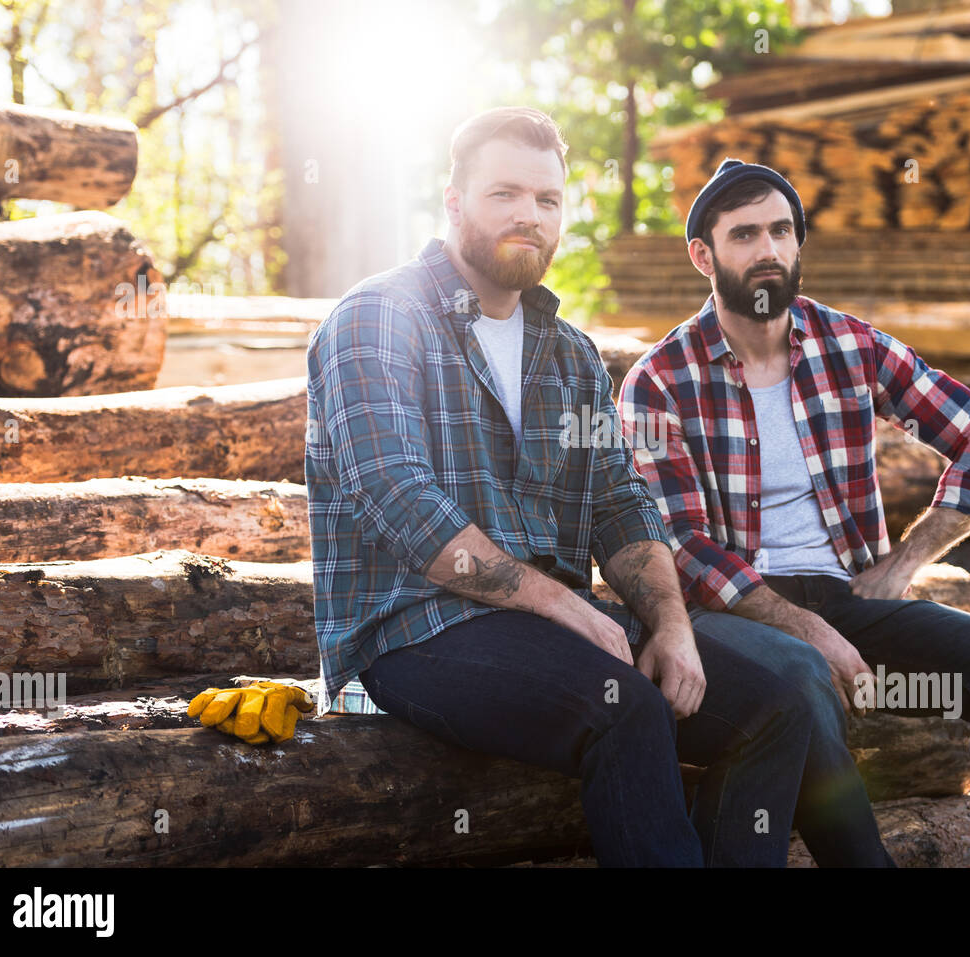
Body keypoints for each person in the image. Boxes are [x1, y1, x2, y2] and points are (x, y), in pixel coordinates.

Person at [304, 111, 816, 867]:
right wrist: (564, 604)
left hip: (545, 635)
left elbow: (620, 501)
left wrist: (673, 626)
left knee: (774, 707)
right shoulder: (379, 316)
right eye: (503, 193)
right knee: (626, 709)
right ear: (453, 202)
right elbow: (396, 495)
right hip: (410, 633)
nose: (528, 215)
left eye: (547, 199)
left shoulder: (568, 352)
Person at [617, 157, 970, 867]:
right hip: (730, 618)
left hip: (849, 599)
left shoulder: (850, 346)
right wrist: (801, 626)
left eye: (781, 231)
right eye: (744, 235)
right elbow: (680, 543)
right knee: (798, 680)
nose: (767, 250)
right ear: (703, 254)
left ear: (797, 243)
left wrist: (905, 562)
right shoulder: (659, 380)